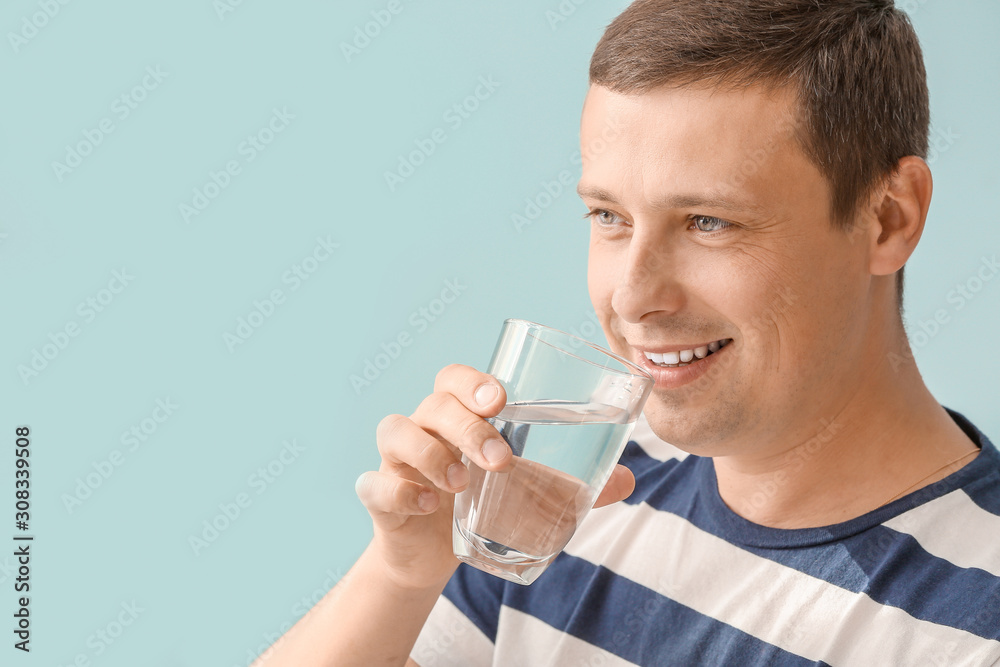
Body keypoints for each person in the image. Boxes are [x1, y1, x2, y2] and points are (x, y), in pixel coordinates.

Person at [254, 1, 1000, 664]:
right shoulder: (560, 509)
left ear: (889, 217)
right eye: (609, 217)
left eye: (709, 221)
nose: (634, 296)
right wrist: (403, 572)